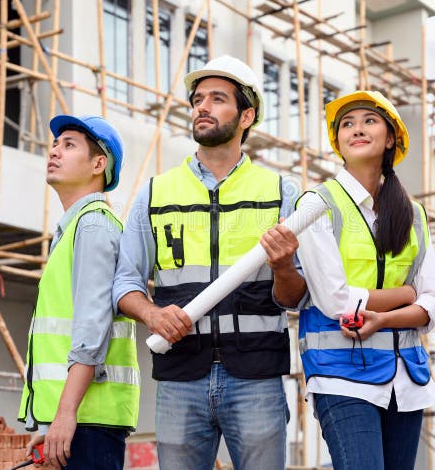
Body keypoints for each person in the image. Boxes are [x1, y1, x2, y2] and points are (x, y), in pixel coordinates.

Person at [113, 55, 306, 470]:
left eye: (217, 99)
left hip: (255, 376)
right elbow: (124, 282)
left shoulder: (280, 192)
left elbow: (294, 297)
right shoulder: (156, 193)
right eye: (198, 99)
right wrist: (151, 313)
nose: (202, 106)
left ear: (246, 115)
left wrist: (284, 266)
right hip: (181, 374)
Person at [295, 91, 435, 470]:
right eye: (347, 124)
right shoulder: (317, 203)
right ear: (338, 142)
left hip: (406, 379)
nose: (357, 129)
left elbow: (432, 304)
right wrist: (406, 294)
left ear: (390, 138)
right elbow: (335, 301)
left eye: (369, 121)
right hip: (341, 376)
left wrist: (389, 314)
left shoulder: (414, 214)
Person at [19, 115, 140, 470]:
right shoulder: (74, 227)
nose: (54, 151)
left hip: (88, 418)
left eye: (69, 145)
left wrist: (65, 415)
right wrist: (52, 420)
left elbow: (91, 329)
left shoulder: (93, 226)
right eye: (55, 144)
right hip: (79, 418)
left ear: (98, 164)